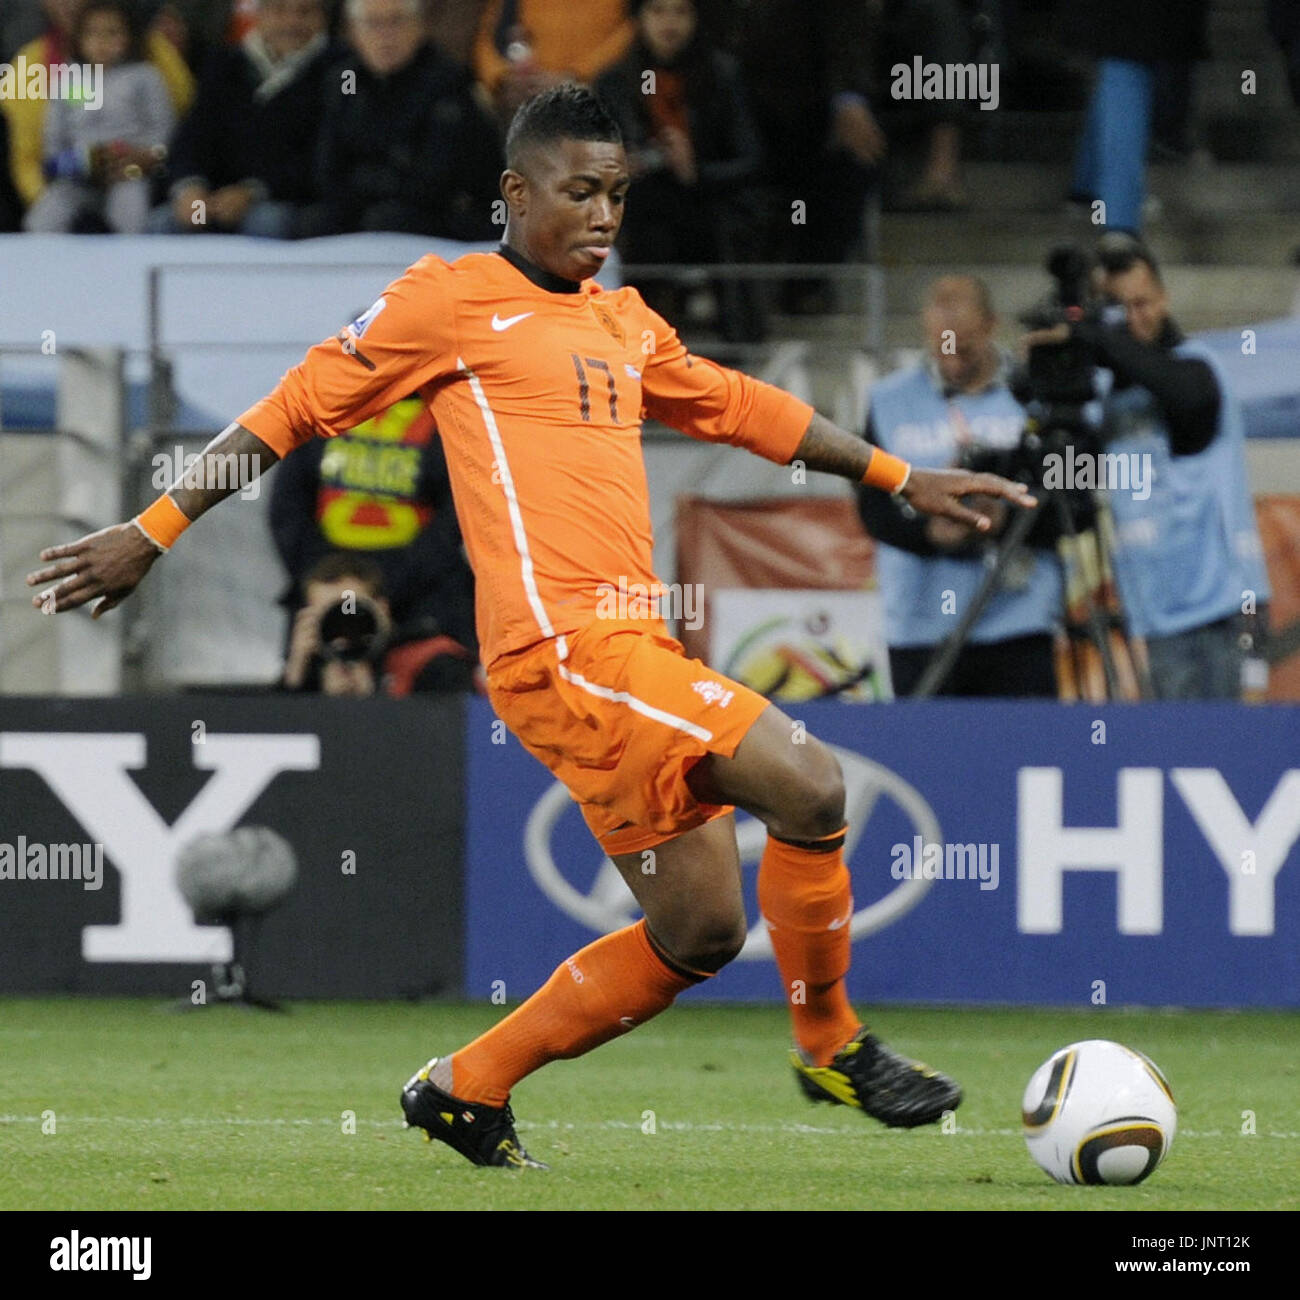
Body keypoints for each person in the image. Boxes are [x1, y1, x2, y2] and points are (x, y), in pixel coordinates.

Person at [29, 85, 1035, 1169]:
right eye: (580, 191)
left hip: (630, 652)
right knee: (811, 782)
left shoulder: (620, 318)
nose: (603, 215)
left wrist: (894, 472)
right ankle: (830, 1043)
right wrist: (153, 526)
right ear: (515, 193)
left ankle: (467, 1085)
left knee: (699, 931)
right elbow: (288, 411)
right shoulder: (447, 301)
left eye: (617, 193)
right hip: (561, 650)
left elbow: (743, 408)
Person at [1024, 236, 1271, 698]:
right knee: (1181, 750)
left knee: (1230, 750)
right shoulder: (1109, 397)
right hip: (1158, 610)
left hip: (1224, 604)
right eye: (1120, 308)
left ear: (1164, 298)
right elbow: (1071, 482)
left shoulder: (1197, 367)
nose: (1135, 319)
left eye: (1144, 303)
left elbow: (1188, 401)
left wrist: (1097, 337)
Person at [856, 276, 1062, 696]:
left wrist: (1005, 520)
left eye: (963, 346)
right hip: (921, 625)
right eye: (941, 345)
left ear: (990, 325)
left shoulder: (1032, 396)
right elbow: (873, 509)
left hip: (1018, 621)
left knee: (1028, 756)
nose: (950, 358)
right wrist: (929, 533)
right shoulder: (889, 400)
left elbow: (1068, 504)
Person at [595, 0, 765, 340]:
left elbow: (752, 161)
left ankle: (740, 339)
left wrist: (696, 171)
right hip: (641, 205)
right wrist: (620, 166)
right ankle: (632, 340)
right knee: (636, 230)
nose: (669, 24)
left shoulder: (723, 75)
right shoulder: (613, 81)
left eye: (680, 12)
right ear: (639, 19)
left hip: (710, 202)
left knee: (726, 227)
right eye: (657, 11)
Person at [269, 390, 476, 657]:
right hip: (328, 583)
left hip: (422, 594)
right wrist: (331, 582)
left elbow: (456, 516)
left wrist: (385, 586)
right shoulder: (318, 409)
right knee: (307, 656)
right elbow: (288, 511)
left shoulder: (451, 415)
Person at [298, 0, 501, 239]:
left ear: (420, 27)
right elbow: (328, 165)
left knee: (387, 219)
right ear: (353, 32)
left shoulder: (446, 80)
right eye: (373, 24)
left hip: (446, 210)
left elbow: (433, 182)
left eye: (396, 21)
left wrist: (365, 182)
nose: (385, 35)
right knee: (316, 221)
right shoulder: (347, 79)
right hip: (370, 201)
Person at [153, 0, 333, 238]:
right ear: (259, 15)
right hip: (213, 198)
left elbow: (327, 154)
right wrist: (190, 187)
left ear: (323, 18)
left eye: (305, 12)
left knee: (266, 222)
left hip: (285, 199)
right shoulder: (225, 62)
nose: (291, 22)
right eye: (279, 10)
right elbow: (194, 134)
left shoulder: (341, 70)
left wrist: (251, 192)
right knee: (161, 224)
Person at [3, 0, 194, 216]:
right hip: (73, 178)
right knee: (48, 214)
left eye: (111, 33)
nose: (69, 4)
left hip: (134, 174)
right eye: (92, 34)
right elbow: (34, 152)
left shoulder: (150, 65)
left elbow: (178, 129)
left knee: (132, 210)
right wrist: (72, 166)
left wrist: (148, 158)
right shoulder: (51, 72)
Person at [282, 552, 479, 695]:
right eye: (328, 616)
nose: (341, 626)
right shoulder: (309, 672)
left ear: (382, 609)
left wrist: (375, 699)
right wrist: (294, 677)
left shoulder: (431, 660)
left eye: (349, 611)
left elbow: (451, 739)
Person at [473, 0, 633, 119]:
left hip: (596, 103)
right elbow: (487, 37)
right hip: (526, 107)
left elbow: (632, 29)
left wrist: (576, 76)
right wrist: (502, 79)